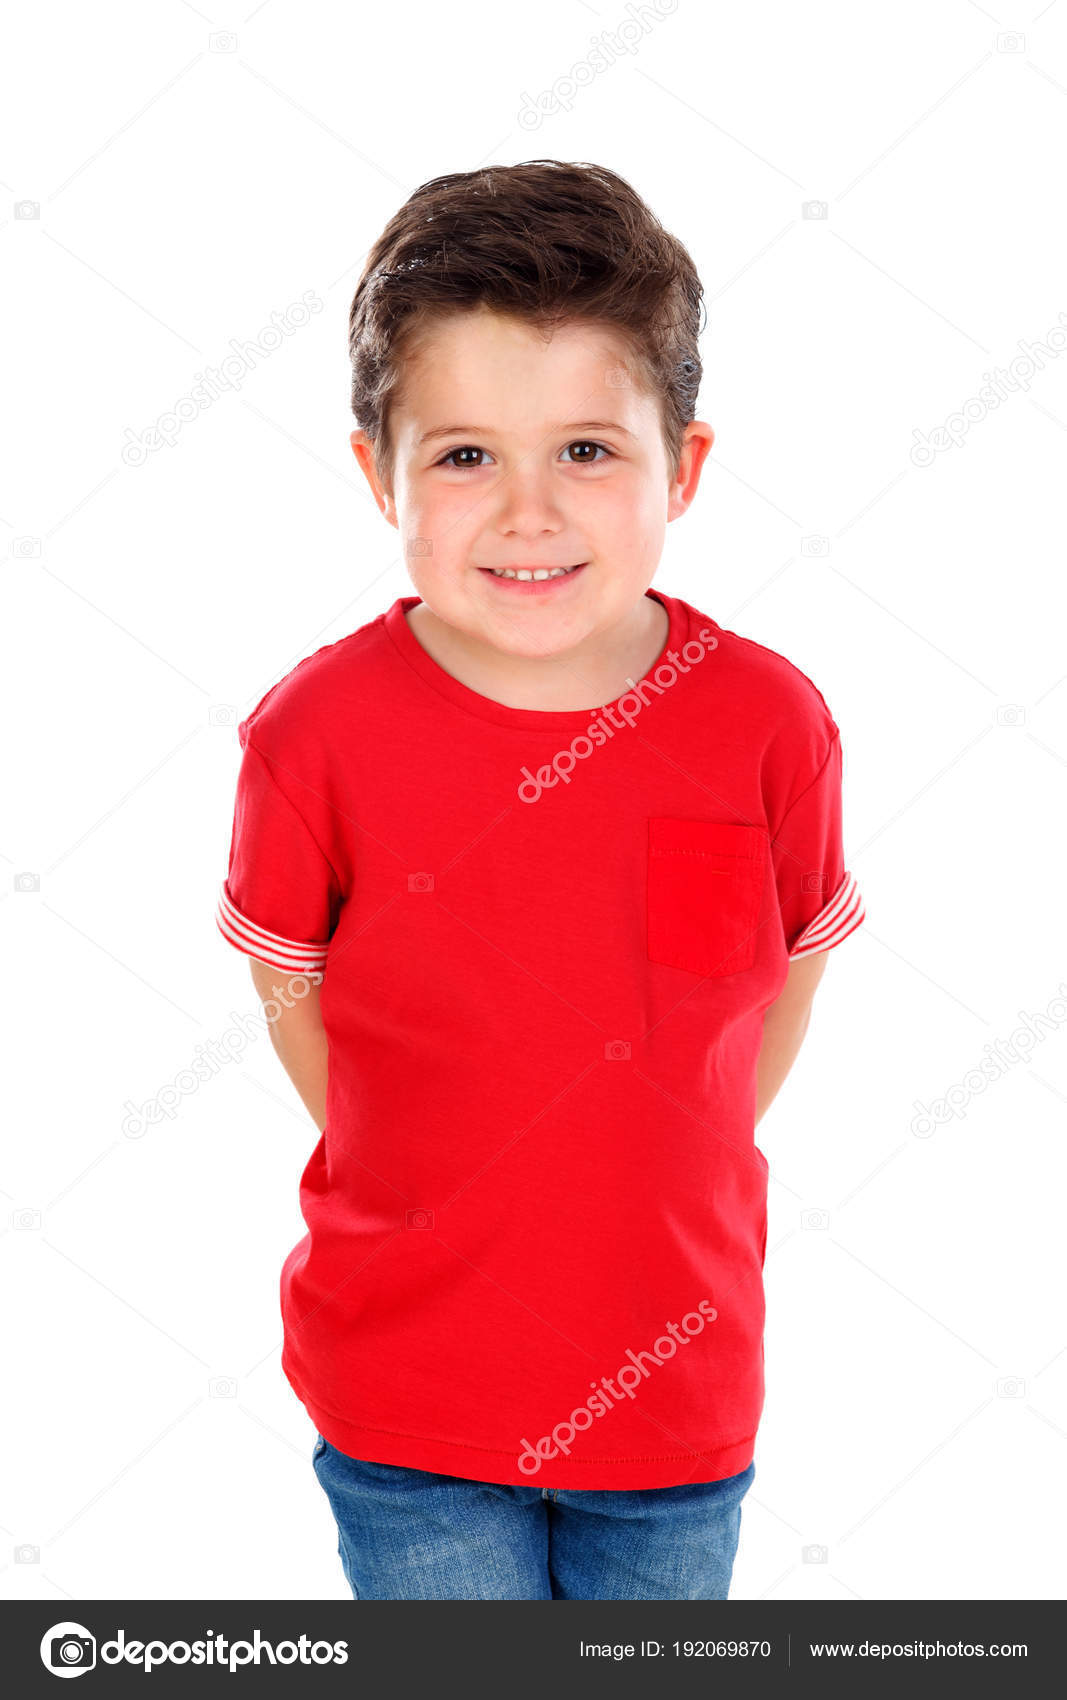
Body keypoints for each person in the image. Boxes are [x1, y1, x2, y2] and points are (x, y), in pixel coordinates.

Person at [215, 160, 865, 1600]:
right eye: (463, 457)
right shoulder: (315, 734)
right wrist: (428, 1166)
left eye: (586, 450)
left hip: (680, 1399)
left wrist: (662, 1147)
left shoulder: (767, 722)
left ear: (681, 467)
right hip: (408, 1405)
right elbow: (284, 973)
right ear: (377, 469)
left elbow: (792, 960)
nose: (527, 513)